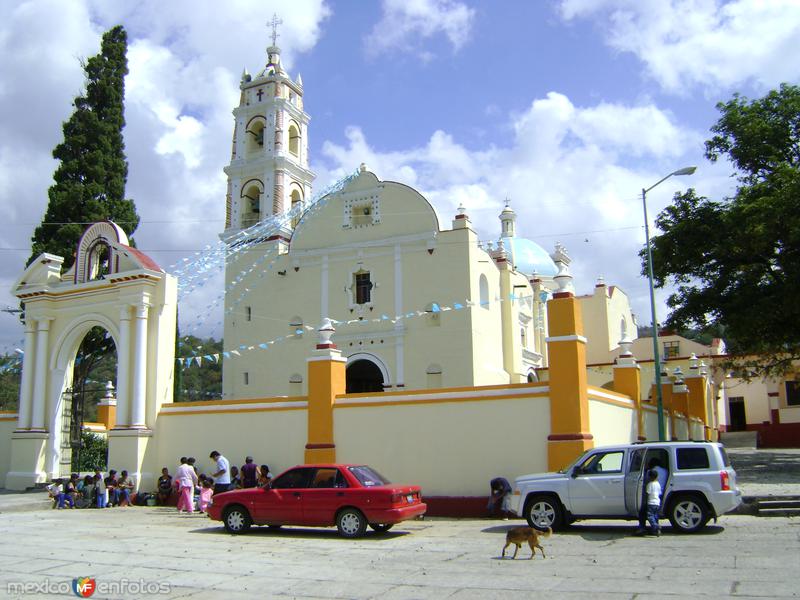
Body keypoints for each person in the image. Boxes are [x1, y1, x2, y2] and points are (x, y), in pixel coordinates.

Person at [636, 458, 668, 535]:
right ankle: (655, 530)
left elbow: (647, 491)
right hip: (658, 498)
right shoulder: (665, 471)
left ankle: (644, 528)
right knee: (655, 515)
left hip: (651, 499)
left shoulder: (650, 473)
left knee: (644, 512)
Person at [645, 469, 662, 537]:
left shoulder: (649, 484)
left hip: (651, 502)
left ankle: (656, 526)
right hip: (657, 502)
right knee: (655, 517)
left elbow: (647, 493)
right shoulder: (658, 484)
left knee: (650, 516)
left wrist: (645, 501)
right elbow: (660, 493)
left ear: (650, 477)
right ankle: (656, 531)